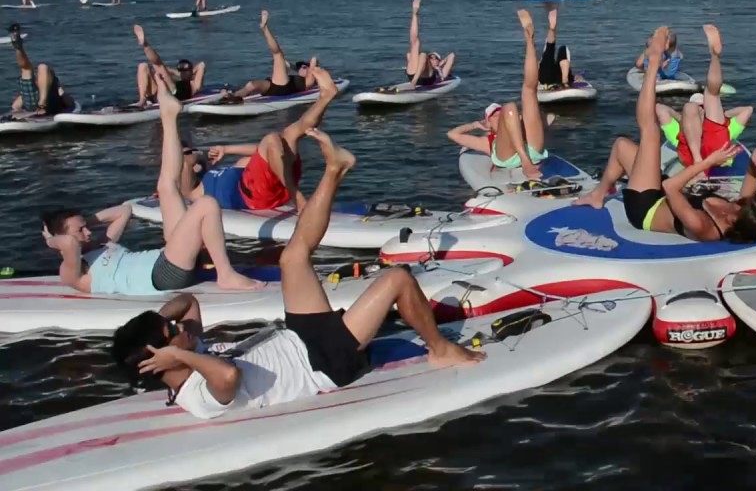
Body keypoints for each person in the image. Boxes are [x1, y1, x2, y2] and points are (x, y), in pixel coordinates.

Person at [110, 128, 484, 419]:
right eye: (173, 334)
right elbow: (229, 378)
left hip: (299, 334)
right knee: (398, 278)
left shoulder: (188, 348)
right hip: (323, 361)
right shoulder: (198, 393)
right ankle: (441, 349)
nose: (180, 329)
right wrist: (183, 357)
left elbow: (187, 300)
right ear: (161, 358)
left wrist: (159, 324)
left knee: (293, 256)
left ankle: (336, 169)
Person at [43, 76, 262, 294]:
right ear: (62, 238)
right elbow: (70, 246)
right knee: (206, 204)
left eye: (86, 227)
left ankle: (168, 116)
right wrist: (51, 239)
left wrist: (86, 221)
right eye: (80, 230)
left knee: (167, 185)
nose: (88, 231)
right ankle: (225, 274)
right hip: (162, 275)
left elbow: (124, 211)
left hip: (169, 261)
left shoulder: (103, 244)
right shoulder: (72, 271)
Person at [575, 26, 756, 244]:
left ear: (737, 219)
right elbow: (748, 191)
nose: (739, 200)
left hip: (646, 207)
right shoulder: (735, 211)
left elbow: (671, 188)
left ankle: (654, 62)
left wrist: (707, 162)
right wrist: (754, 166)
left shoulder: (705, 227)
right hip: (663, 193)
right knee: (622, 146)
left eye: (741, 205)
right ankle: (597, 194)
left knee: (650, 130)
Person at [189, 63, 339, 212]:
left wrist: (226, 149)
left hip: (271, 184)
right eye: (188, 152)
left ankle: (325, 97)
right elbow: (175, 183)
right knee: (272, 138)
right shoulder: (196, 190)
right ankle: (297, 196)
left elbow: (262, 152)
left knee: (291, 133)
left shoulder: (225, 170)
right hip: (255, 196)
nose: (194, 151)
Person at [448, 9, 551, 180]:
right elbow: (452, 134)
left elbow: (551, 117)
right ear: (488, 123)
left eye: (498, 114)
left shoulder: (521, 126)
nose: (499, 116)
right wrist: (475, 125)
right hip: (509, 157)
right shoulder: (487, 142)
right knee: (510, 107)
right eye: (495, 116)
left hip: (532, 149)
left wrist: (538, 118)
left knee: (529, 91)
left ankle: (529, 41)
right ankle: (525, 162)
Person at [655, 24, 753, 169]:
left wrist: (682, 118)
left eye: (701, 107)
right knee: (712, 95)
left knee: (702, 100)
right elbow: (748, 110)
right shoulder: (728, 130)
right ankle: (715, 56)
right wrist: (724, 115)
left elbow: (660, 108)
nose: (700, 109)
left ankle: (698, 160)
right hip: (712, 146)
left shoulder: (678, 132)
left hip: (696, 151)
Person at [225, 10, 316, 100]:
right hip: (273, 86)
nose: (301, 68)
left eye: (304, 67)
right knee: (252, 85)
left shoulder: (308, 81)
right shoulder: (297, 76)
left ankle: (265, 29)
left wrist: (312, 65)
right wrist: (289, 66)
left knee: (278, 54)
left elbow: (314, 61)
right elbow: (290, 66)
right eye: (300, 67)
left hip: (283, 88)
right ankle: (235, 96)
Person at [134, 24, 207, 106]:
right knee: (143, 66)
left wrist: (188, 72)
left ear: (191, 71)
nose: (183, 73)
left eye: (186, 71)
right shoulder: (178, 77)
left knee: (159, 65)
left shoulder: (194, 84)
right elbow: (166, 69)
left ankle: (146, 45)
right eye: (181, 71)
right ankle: (142, 99)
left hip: (175, 95)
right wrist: (177, 73)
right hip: (163, 93)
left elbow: (202, 65)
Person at [8, 23, 72, 117]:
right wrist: (62, 93)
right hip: (48, 105)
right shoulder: (57, 90)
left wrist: (16, 111)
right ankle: (42, 104)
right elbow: (71, 104)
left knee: (26, 70)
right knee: (41, 67)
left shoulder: (29, 92)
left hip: (34, 105)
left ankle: (18, 48)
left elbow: (15, 106)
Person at [405, 0, 455, 86]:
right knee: (415, 43)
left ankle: (414, 82)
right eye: (430, 57)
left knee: (423, 54)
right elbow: (409, 55)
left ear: (438, 61)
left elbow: (452, 55)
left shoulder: (441, 72)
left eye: (434, 57)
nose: (431, 58)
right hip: (413, 73)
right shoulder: (424, 61)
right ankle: (414, 14)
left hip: (428, 79)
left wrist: (441, 64)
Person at [537, 6, 585, 89]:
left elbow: (537, 65)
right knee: (563, 49)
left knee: (548, 50)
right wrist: (574, 77)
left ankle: (552, 29)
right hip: (560, 77)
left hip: (545, 78)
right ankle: (565, 79)